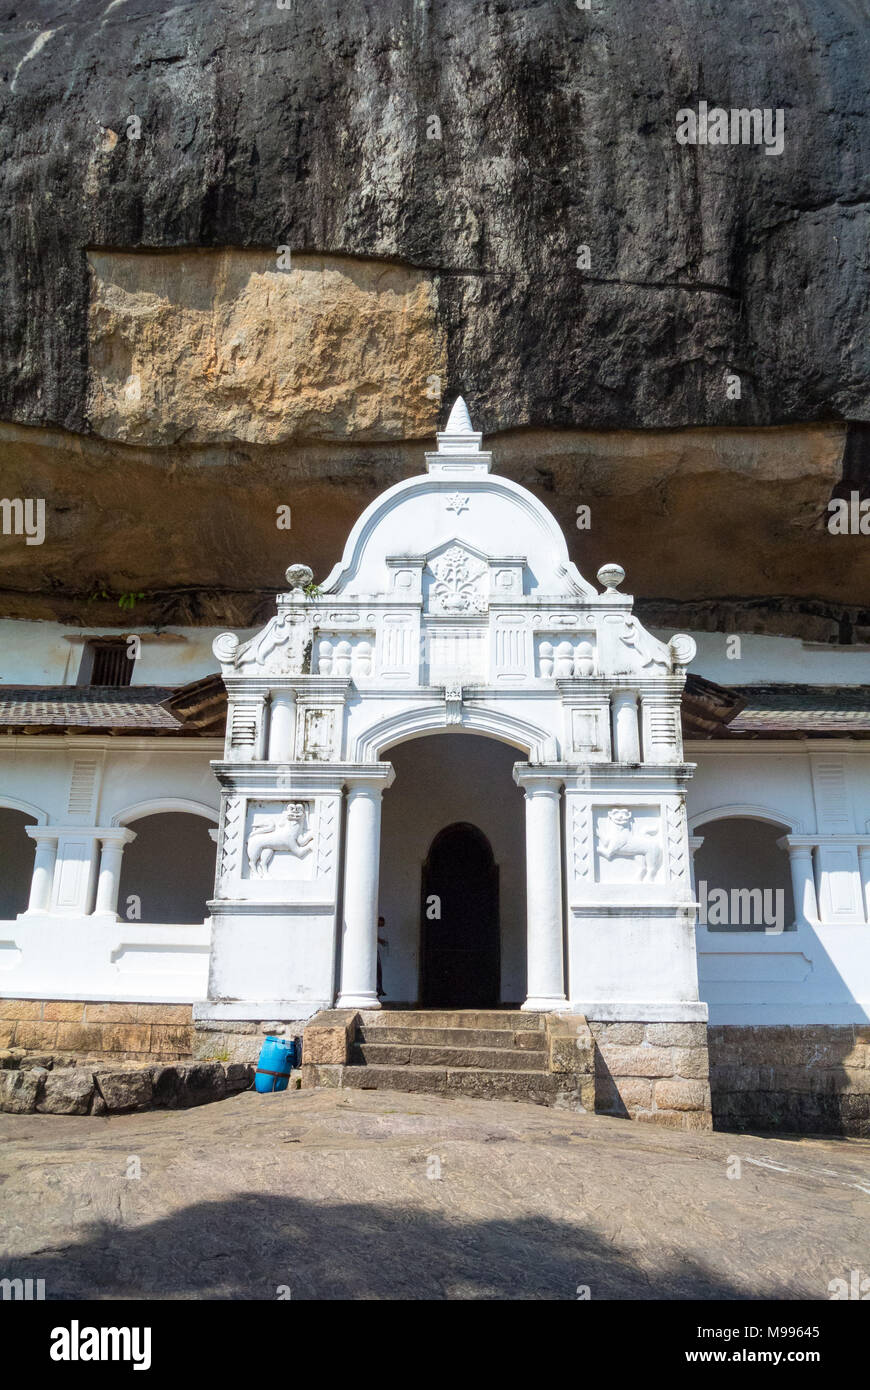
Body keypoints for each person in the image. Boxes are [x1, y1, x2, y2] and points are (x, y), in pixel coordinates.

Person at [376, 914, 387, 998]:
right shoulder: (374, 928)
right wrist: (381, 941)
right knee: (378, 971)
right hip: (375, 952)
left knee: (379, 971)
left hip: (377, 952)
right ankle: (379, 989)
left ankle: (380, 989)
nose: (382, 926)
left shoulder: (377, 929)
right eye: (381, 923)